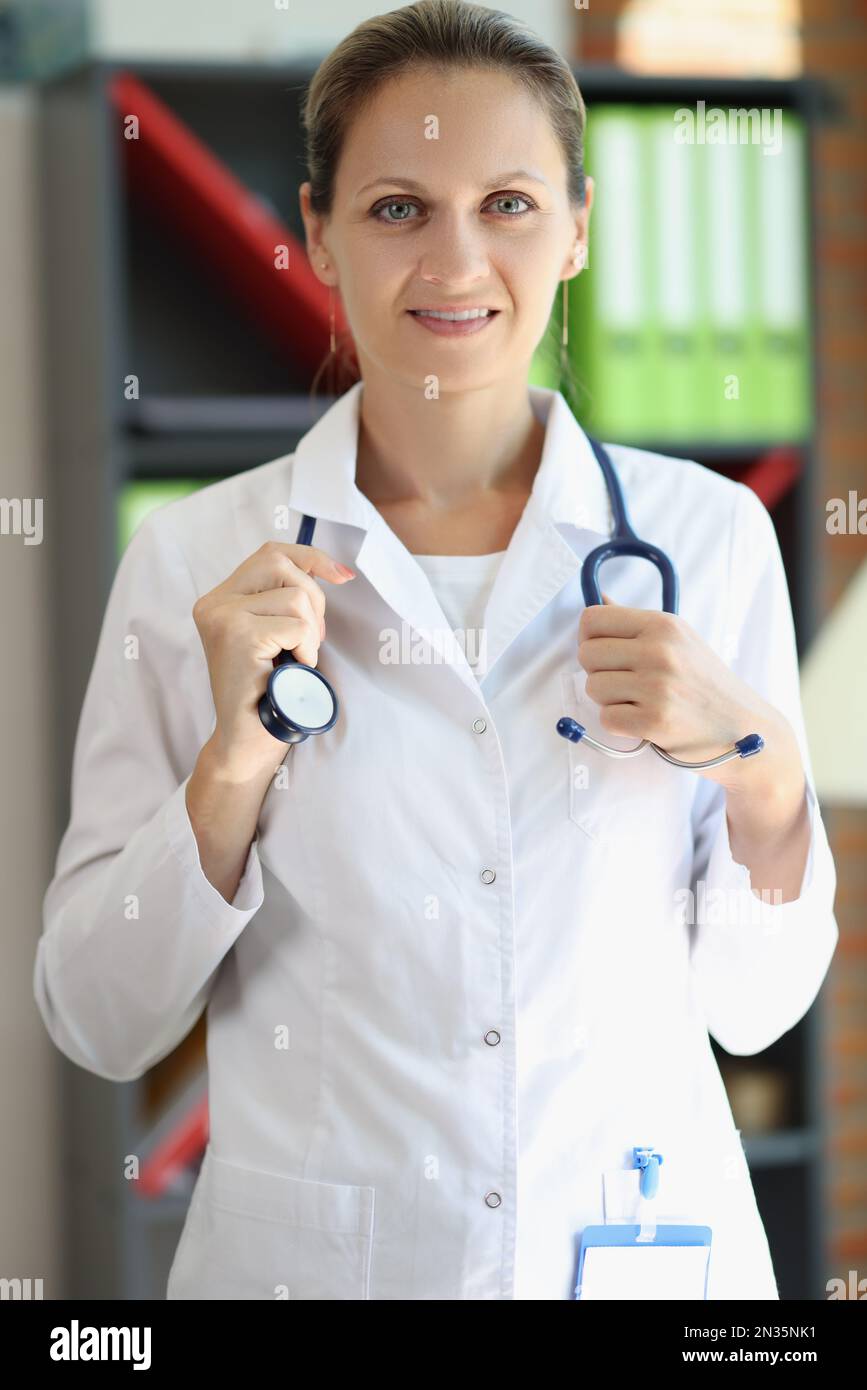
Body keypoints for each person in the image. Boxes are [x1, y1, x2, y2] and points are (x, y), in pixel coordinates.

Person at [35, 0, 837, 1300]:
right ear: (318, 231)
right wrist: (233, 767)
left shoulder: (710, 536)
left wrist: (759, 774)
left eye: (509, 203)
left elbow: (754, 1009)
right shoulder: (195, 562)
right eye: (400, 207)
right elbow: (100, 1016)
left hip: (637, 1254)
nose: (456, 262)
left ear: (577, 228)